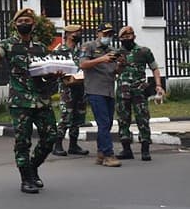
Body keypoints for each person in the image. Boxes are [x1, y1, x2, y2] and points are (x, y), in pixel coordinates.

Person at [0, 9, 58, 194]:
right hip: (20, 101)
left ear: (33, 24)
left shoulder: (40, 47)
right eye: (21, 20)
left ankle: (32, 167)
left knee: (50, 137)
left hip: (41, 100)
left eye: (28, 20)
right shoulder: (8, 45)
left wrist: (55, 74)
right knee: (22, 142)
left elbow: (47, 72)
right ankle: (26, 178)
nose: (24, 23)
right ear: (15, 25)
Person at [114, 26, 164, 161]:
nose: (126, 39)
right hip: (123, 91)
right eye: (124, 37)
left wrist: (158, 85)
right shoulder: (116, 53)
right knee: (123, 120)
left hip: (139, 90)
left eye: (129, 36)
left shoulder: (144, 51)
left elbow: (155, 68)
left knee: (143, 118)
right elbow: (114, 73)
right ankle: (126, 149)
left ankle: (145, 149)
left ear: (134, 37)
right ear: (120, 39)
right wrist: (119, 65)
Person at [78, 22, 121, 167]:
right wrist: (102, 59)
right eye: (105, 34)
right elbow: (83, 64)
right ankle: (108, 154)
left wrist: (121, 64)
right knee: (103, 122)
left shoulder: (112, 50)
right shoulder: (89, 46)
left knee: (107, 123)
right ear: (98, 33)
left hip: (109, 89)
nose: (108, 37)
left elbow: (115, 71)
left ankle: (101, 153)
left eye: (110, 34)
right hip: (95, 90)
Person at [51, 24, 90, 156]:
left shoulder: (81, 52)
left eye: (79, 32)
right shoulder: (59, 51)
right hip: (67, 89)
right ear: (68, 35)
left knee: (78, 117)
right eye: (76, 33)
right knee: (65, 117)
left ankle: (73, 145)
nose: (78, 35)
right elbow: (54, 69)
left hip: (81, 87)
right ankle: (58, 145)